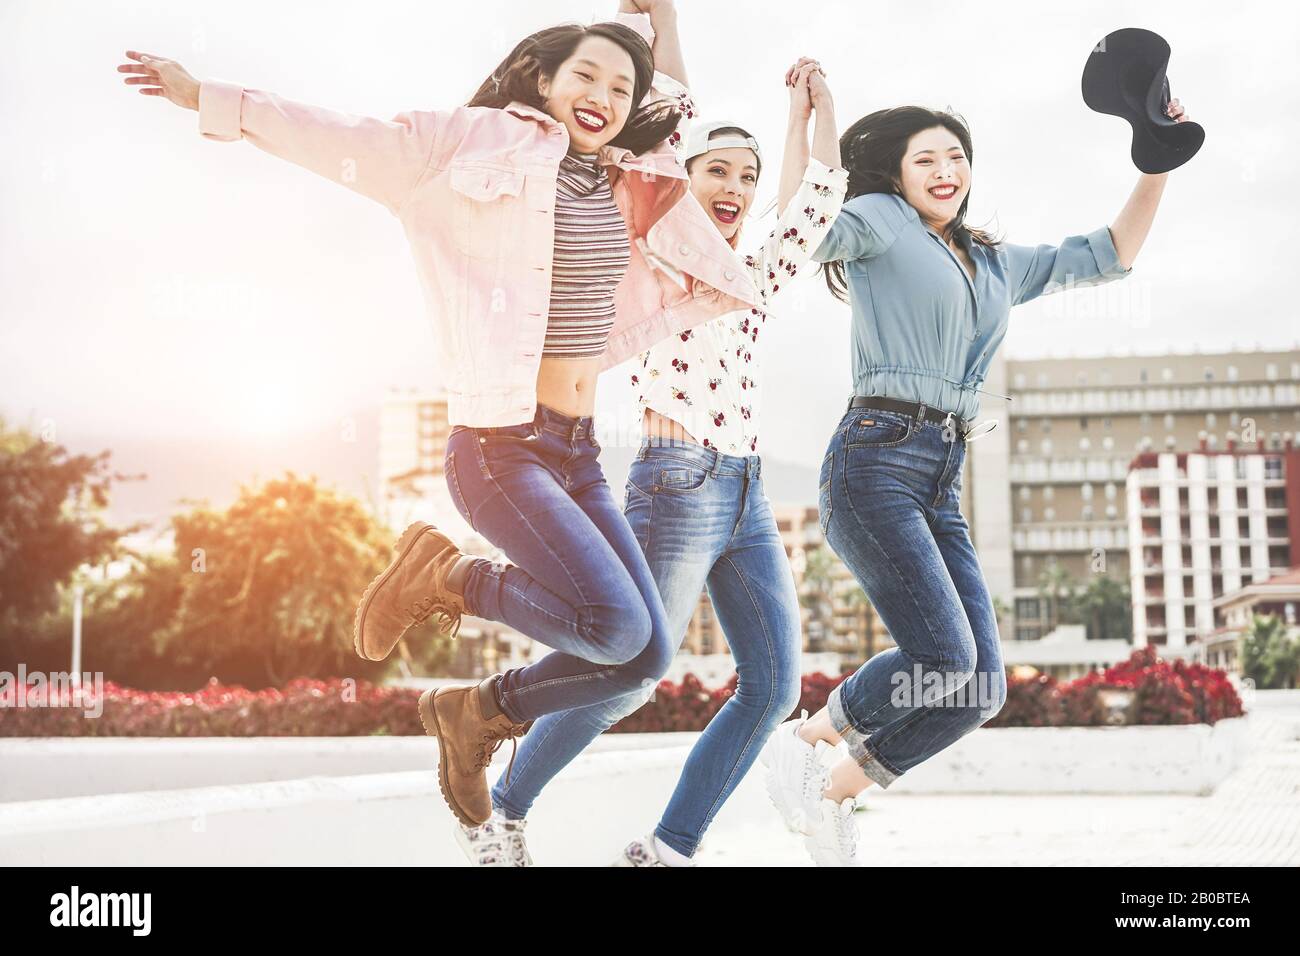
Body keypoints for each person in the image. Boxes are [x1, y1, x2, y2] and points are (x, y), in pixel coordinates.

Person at [116, 16, 758, 829]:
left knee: (647, 653)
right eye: (584, 78)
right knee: (617, 626)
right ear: (542, 80)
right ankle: (451, 579)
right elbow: (340, 136)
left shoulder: (632, 170)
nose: (602, 98)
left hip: (577, 452)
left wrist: (656, 17)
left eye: (619, 89)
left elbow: (672, 90)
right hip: (499, 450)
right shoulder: (469, 146)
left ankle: (475, 713)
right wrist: (208, 96)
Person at [456, 0, 847, 867]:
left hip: (747, 490)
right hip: (675, 480)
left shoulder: (752, 274)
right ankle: (502, 810)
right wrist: (664, 18)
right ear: (683, 177)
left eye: (746, 176)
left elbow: (816, 194)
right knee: (627, 675)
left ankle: (667, 851)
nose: (735, 189)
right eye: (717, 171)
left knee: (775, 686)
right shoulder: (657, 243)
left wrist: (808, 109)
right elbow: (665, 110)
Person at [761, 94, 1194, 865]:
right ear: (895, 173)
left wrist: (1155, 163)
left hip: (941, 475)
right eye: (925, 157)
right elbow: (802, 224)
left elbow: (1110, 254)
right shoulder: (880, 223)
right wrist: (807, 123)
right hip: (874, 459)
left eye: (955, 156)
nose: (945, 170)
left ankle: (828, 795)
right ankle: (803, 739)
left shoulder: (993, 262)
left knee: (977, 689)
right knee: (943, 661)